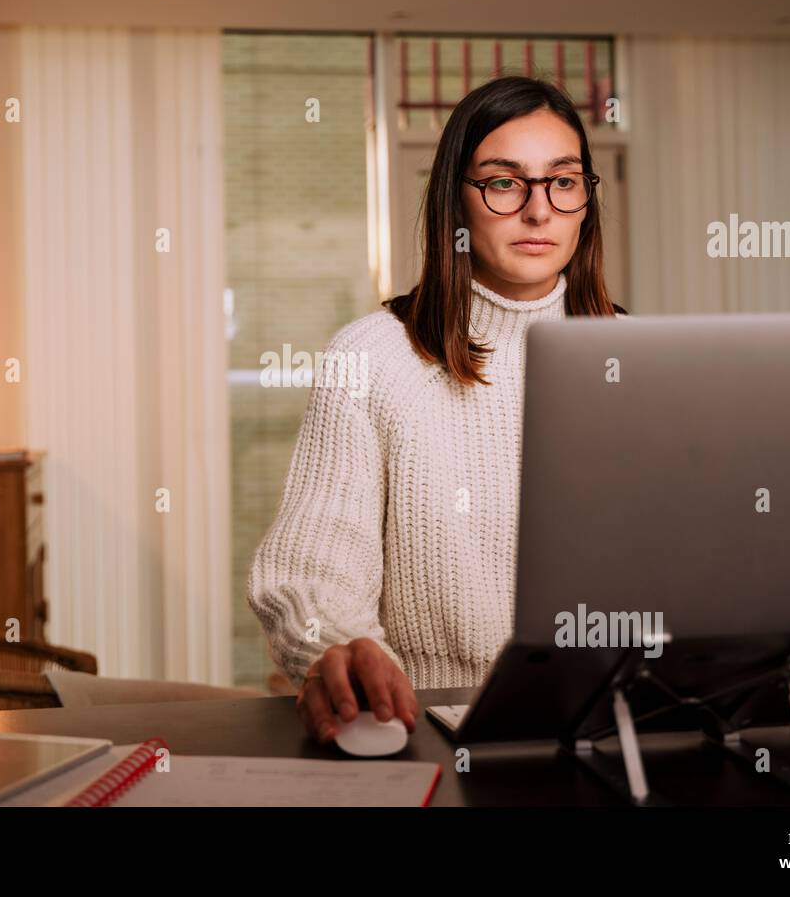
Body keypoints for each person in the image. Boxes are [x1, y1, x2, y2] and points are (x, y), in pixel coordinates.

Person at [248, 76, 627, 744]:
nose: (539, 210)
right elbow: (313, 576)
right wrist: (337, 647)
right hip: (427, 733)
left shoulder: (638, 358)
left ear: (585, 202)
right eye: (504, 182)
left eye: (563, 181)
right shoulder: (370, 357)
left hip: (615, 728)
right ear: (456, 198)